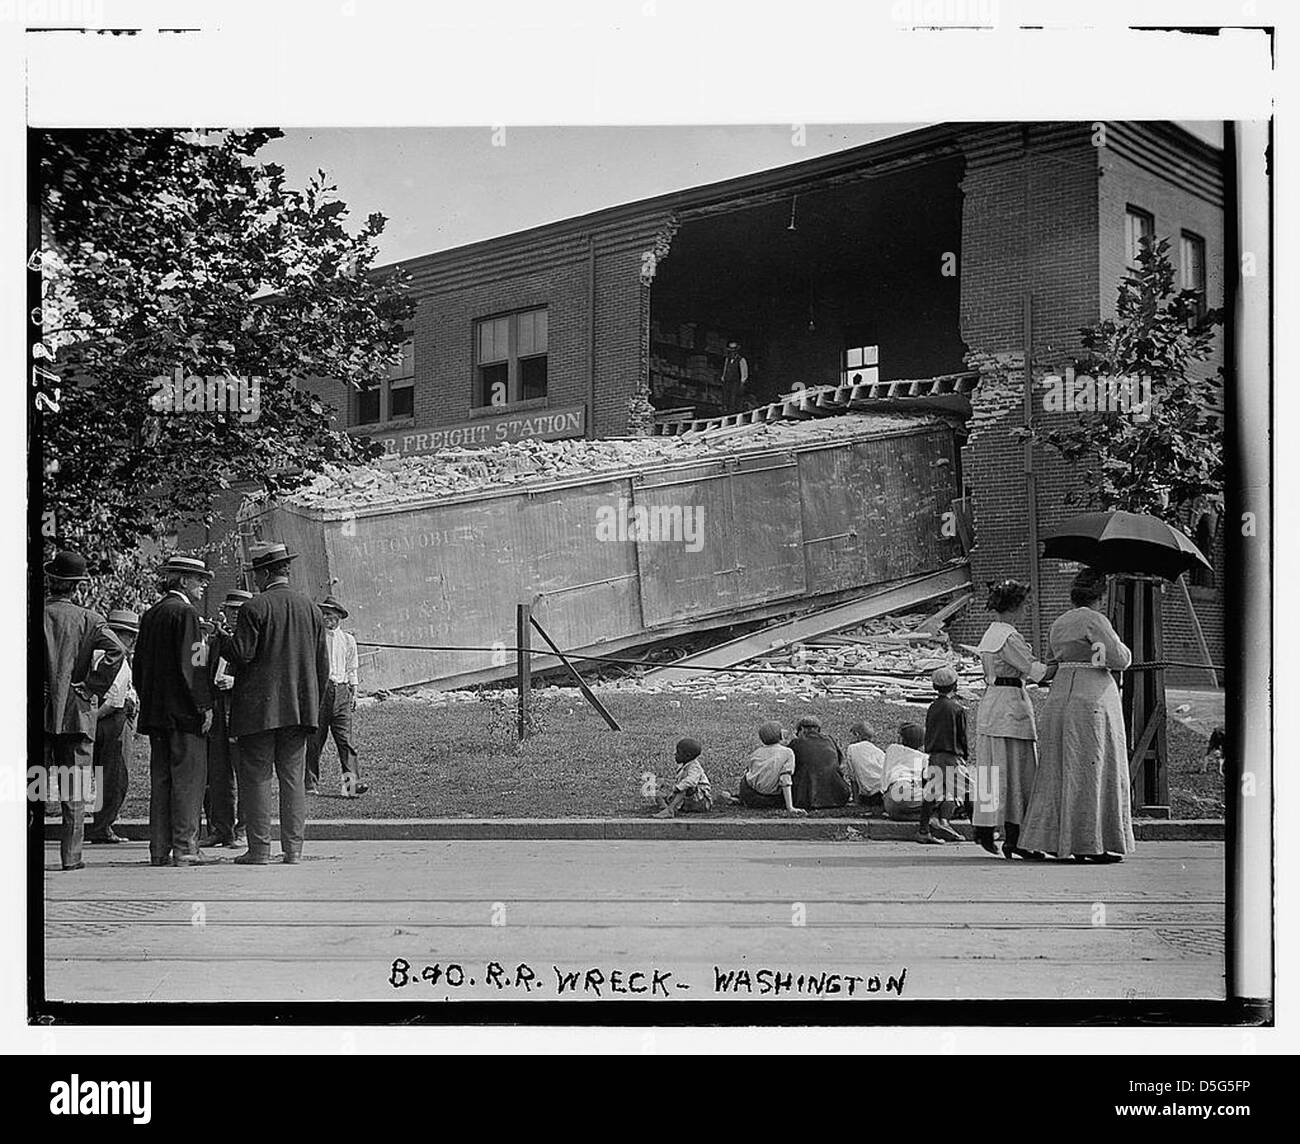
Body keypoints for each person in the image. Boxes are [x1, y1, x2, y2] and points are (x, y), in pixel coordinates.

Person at [221, 542, 329, 865]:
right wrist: (313, 704)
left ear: (266, 572)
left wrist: (221, 639)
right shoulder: (311, 609)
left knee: (257, 778)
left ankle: (259, 850)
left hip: (259, 711)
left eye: (256, 573)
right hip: (299, 710)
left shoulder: (254, 608)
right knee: (293, 779)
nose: (254, 580)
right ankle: (293, 851)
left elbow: (241, 654)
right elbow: (322, 665)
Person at [1019, 568, 1135, 863]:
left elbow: (1051, 663)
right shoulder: (1095, 620)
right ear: (1101, 595)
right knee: (1092, 766)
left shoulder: (1059, 622)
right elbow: (1117, 659)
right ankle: (1089, 842)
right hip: (1092, 696)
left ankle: (1046, 837)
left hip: (1060, 696)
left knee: (1057, 767)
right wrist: (1123, 648)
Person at [42, 551, 126, 871]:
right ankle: (71, 857)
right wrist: (91, 687)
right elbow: (116, 651)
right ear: (77, 586)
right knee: (74, 790)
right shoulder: (91, 619)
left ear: (51, 581)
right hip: (77, 713)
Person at [136, 554, 215, 867]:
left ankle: (159, 849)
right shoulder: (187, 614)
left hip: (157, 714)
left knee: (162, 780)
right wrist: (203, 704)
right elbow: (194, 665)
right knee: (189, 781)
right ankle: (186, 847)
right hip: (184, 715)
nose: (203, 585)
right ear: (183, 580)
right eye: (198, 580)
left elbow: (139, 665)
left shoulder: (152, 614)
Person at [971, 578, 1057, 859]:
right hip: (1011, 708)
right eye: (1023, 606)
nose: (1025, 611)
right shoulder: (1009, 637)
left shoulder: (990, 634)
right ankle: (1018, 838)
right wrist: (1064, 663)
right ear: (1014, 607)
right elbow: (1037, 672)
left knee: (992, 770)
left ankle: (985, 828)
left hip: (993, 703)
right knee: (1019, 774)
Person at [199, 588, 253, 848]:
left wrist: (234, 681)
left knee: (244, 774)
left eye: (239, 611)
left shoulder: (253, 638)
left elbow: (260, 675)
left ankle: (242, 829)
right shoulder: (215, 639)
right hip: (217, 712)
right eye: (230, 610)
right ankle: (221, 829)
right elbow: (199, 665)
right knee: (218, 774)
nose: (233, 615)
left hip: (241, 711)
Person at [86, 609, 139, 845]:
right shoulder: (115, 658)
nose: (130, 640)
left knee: (98, 774)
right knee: (115, 777)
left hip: (100, 718)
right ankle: (103, 825)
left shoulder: (95, 654)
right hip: (113, 719)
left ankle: (99, 824)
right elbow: (114, 698)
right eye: (128, 635)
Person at [306, 595, 368, 796]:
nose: (327, 618)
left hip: (341, 692)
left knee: (345, 741)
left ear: (339, 617)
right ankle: (310, 783)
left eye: (331, 615)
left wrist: (354, 691)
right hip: (320, 693)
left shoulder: (348, 640)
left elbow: (352, 668)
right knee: (315, 740)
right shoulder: (315, 638)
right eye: (324, 614)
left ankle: (351, 786)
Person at [920, 667, 968, 844]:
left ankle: (923, 830)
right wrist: (965, 754)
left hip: (934, 753)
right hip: (951, 754)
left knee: (932, 791)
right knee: (970, 790)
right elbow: (961, 735)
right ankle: (981, 831)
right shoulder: (957, 708)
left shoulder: (932, 707)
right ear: (955, 685)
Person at [737, 721, 805, 815]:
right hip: (772, 799)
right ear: (780, 735)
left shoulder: (756, 752)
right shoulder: (787, 752)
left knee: (746, 774)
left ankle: (738, 798)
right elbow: (785, 779)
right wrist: (790, 807)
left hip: (750, 797)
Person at [790, 716, 852, 810]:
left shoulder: (796, 743)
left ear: (802, 729)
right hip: (838, 796)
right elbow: (839, 762)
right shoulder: (830, 740)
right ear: (818, 729)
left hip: (805, 798)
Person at [653, 738, 713, 818]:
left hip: (700, 801)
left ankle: (670, 810)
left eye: (678, 752)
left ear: (687, 756)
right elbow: (679, 781)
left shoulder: (694, 768)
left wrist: (678, 788)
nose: (675, 754)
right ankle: (666, 808)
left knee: (685, 787)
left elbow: (691, 782)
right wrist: (665, 782)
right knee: (658, 795)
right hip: (689, 800)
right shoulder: (685, 766)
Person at [881, 723, 927, 820]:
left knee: (900, 813)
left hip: (889, 802)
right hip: (905, 792)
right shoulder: (923, 758)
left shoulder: (892, 749)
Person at [844, 721, 887, 806]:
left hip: (872, 795)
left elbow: (853, 778)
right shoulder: (879, 752)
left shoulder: (851, 749)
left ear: (857, 734)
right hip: (885, 791)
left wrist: (856, 801)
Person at [719, 340, 751, 412]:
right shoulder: (727, 359)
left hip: (735, 382)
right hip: (727, 382)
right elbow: (725, 369)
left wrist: (742, 383)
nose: (732, 352)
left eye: (733, 351)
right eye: (730, 351)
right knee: (726, 398)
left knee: (734, 399)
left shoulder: (741, 360)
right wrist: (723, 378)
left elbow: (744, 373)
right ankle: (725, 411)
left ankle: (733, 412)